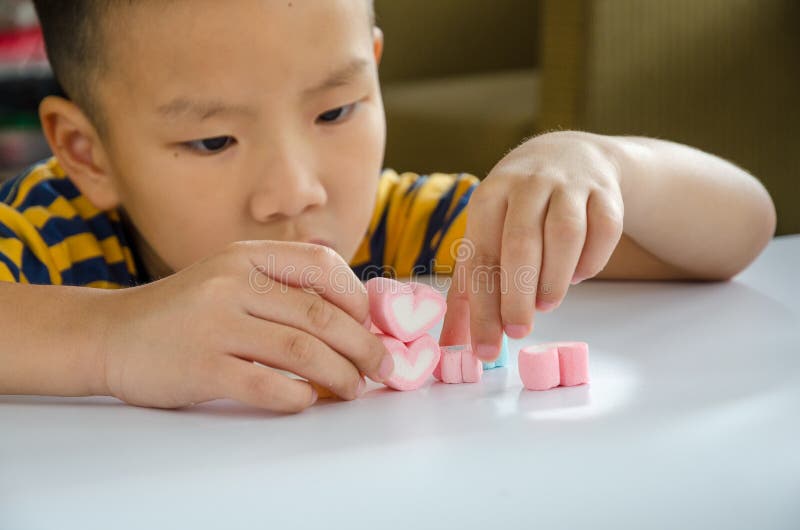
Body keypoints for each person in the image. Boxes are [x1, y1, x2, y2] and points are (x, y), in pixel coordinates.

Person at [0, 0, 776, 413]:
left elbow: (740, 233)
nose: (297, 191)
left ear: (373, 73)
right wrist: (110, 340)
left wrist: (611, 166)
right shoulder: (48, 235)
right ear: (86, 152)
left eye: (335, 112)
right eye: (212, 142)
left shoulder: (406, 228)